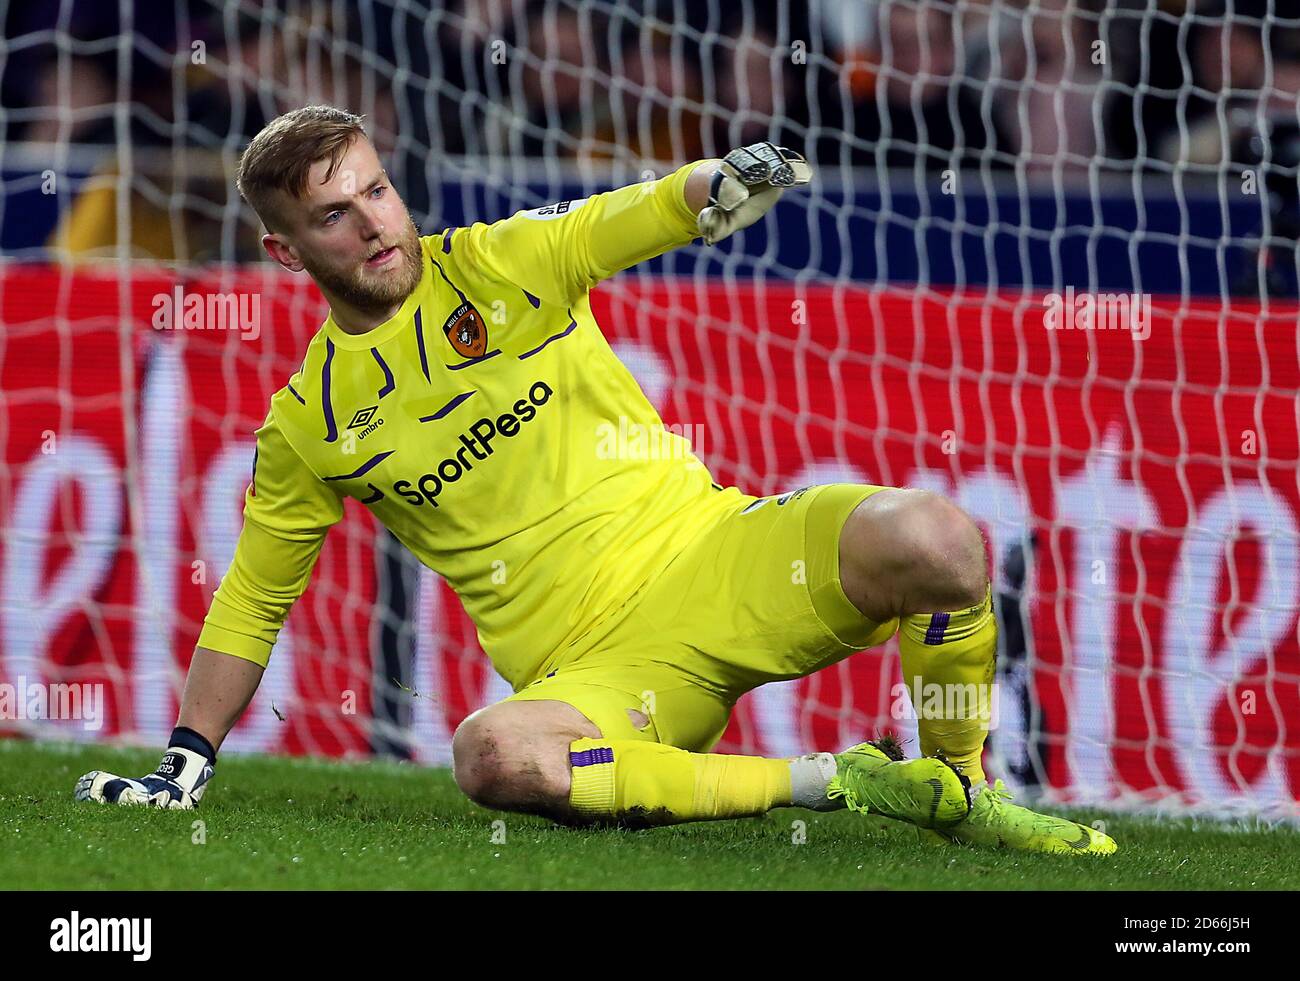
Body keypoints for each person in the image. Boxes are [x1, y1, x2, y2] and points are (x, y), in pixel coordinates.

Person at [75, 105, 1114, 855]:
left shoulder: (503, 262)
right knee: (495, 757)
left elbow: (644, 209)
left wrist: (721, 184)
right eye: (336, 215)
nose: (376, 223)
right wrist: (183, 764)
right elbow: (256, 596)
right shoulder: (310, 423)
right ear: (286, 252)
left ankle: (963, 784)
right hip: (601, 684)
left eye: (376, 190)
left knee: (938, 541)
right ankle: (848, 782)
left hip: (718, 559)